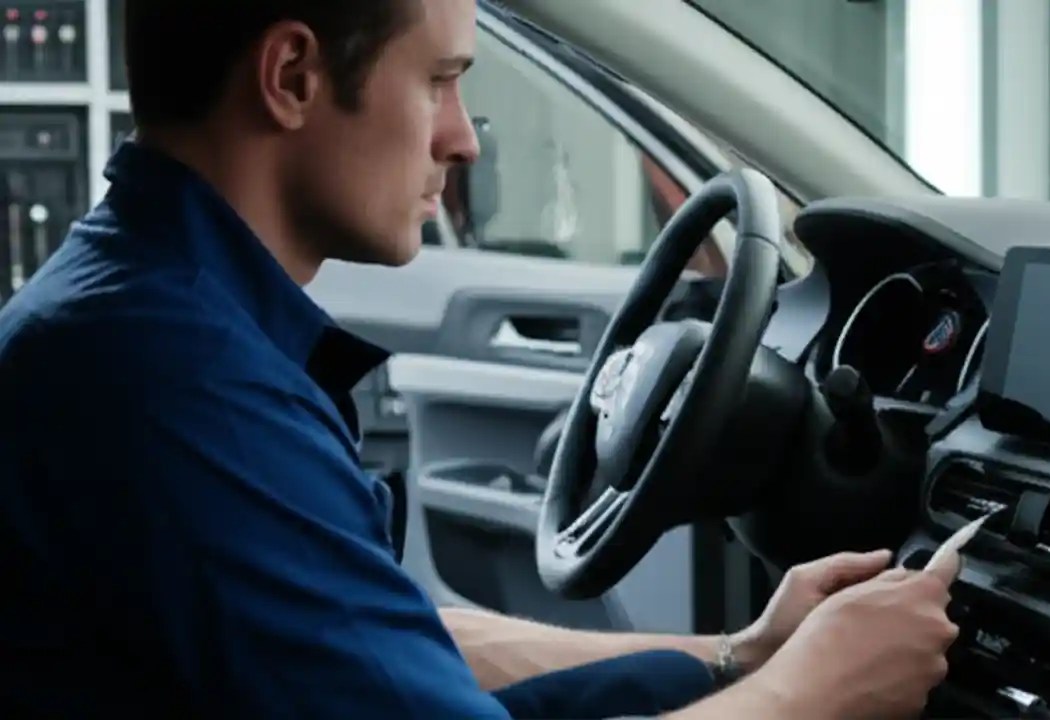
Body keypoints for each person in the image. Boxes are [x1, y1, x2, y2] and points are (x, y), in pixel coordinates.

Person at [0, 0, 960, 718]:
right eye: (439, 81)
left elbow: (381, 648)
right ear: (292, 76)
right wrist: (815, 690)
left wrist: (739, 658)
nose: (462, 139)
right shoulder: (174, 383)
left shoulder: (142, 318)